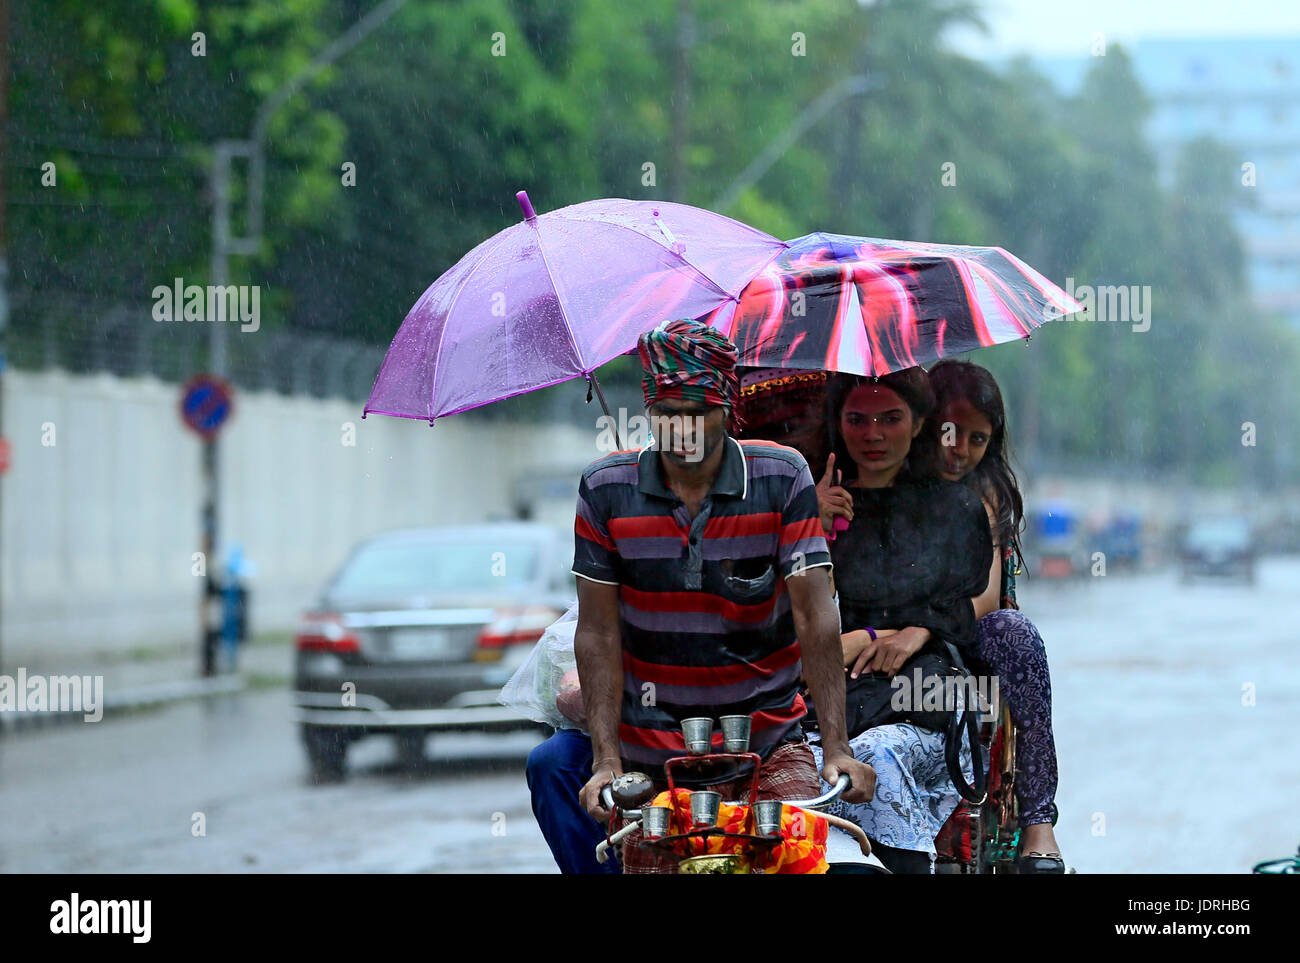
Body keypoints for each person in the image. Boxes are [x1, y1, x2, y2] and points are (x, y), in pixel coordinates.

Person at [572, 319, 874, 873]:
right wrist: (606, 761)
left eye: (697, 412)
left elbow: (814, 614)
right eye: (666, 414)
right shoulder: (604, 490)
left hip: (770, 739)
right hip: (652, 750)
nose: (681, 429)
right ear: (649, 411)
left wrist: (836, 749)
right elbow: (596, 631)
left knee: (799, 860)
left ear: (728, 408)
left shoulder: (782, 476)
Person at [807, 367, 992, 874]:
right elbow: (796, 612)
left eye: (889, 419)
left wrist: (916, 631)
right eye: (857, 419)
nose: (873, 434)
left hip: (925, 687)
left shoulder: (956, 506)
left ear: (917, 424)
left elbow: (965, 604)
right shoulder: (811, 502)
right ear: (837, 424)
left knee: (878, 753)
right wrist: (811, 529)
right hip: (837, 679)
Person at [927, 358, 1065, 874]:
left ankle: (1037, 820)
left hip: (967, 636)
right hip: (878, 632)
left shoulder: (985, 494)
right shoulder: (884, 477)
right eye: (948, 432)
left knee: (1016, 634)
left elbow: (983, 600)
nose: (959, 449)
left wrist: (917, 626)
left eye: (976, 438)